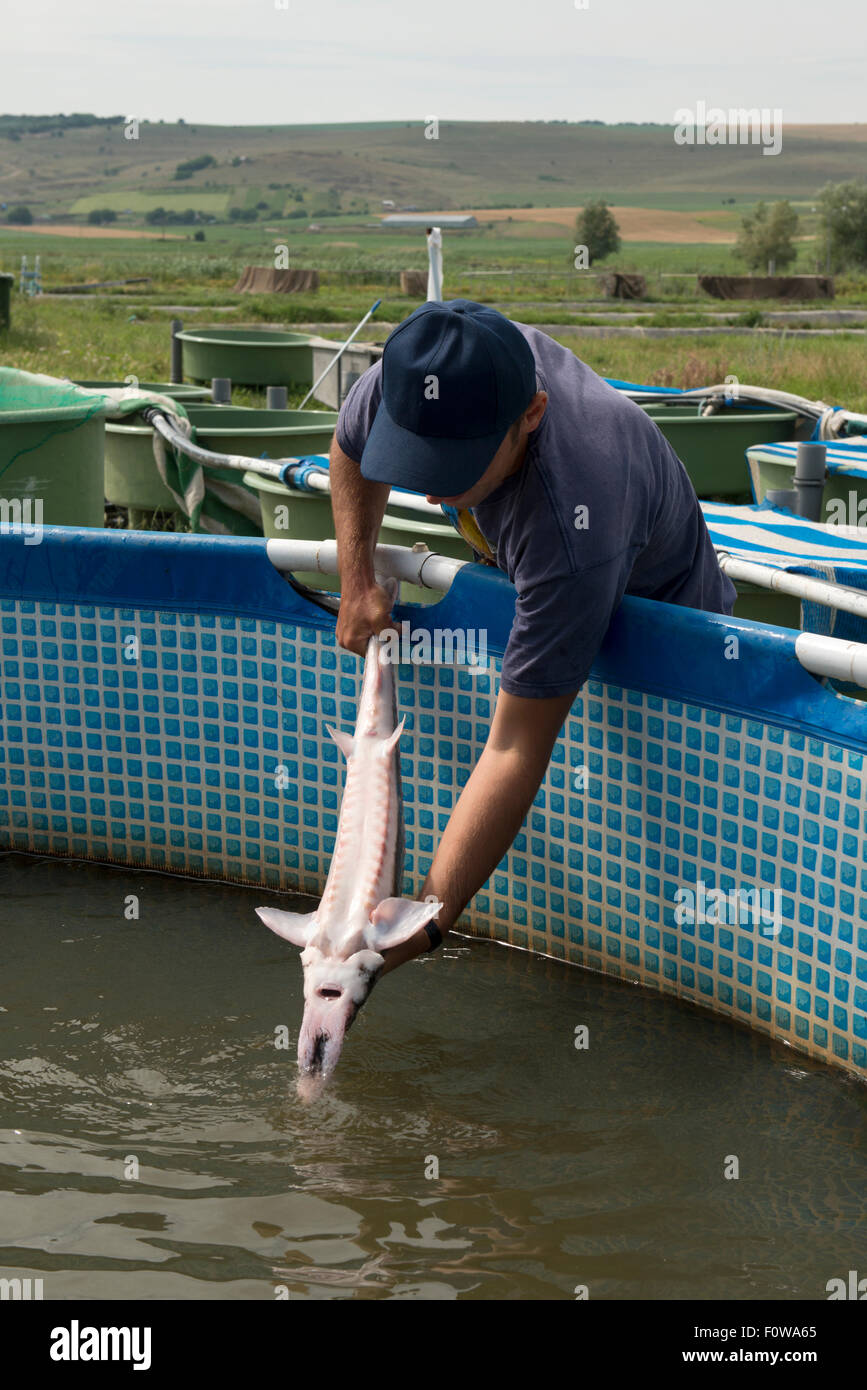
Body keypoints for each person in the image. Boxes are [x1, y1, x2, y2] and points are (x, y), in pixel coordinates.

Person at [329, 299, 735, 972]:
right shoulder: (422, 370)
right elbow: (350, 445)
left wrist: (428, 921)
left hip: (667, 632)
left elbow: (514, 746)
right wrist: (356, 581)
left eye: (451, 471)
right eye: (415, 462)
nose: (430, 496)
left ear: (532, 415)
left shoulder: (571, 522)